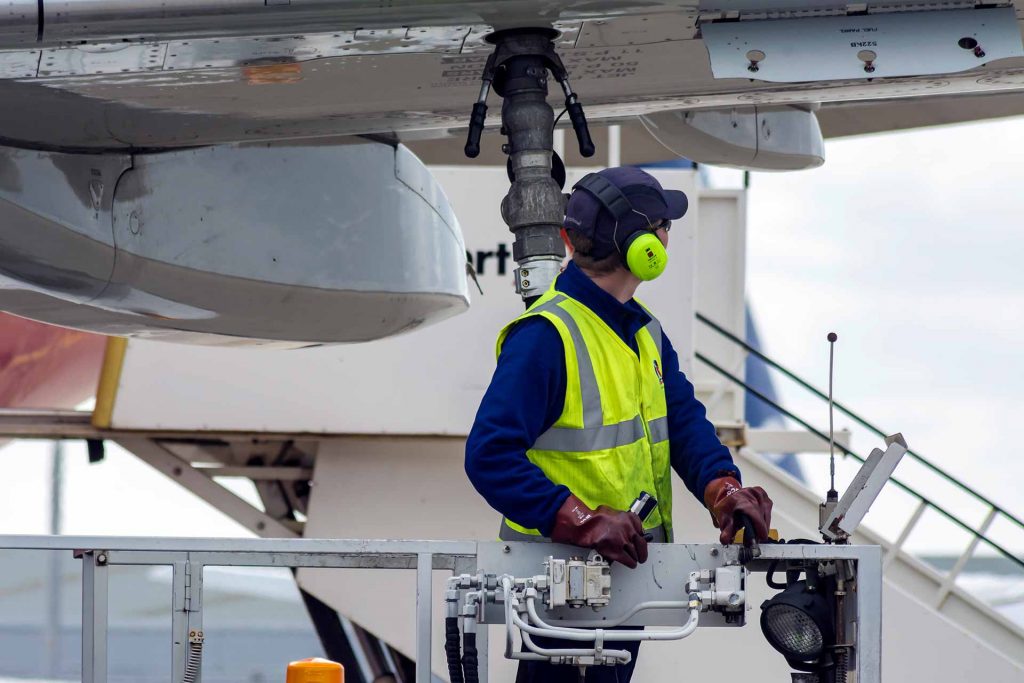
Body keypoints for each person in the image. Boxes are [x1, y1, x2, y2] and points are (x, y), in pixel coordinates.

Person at [465, 166, 773, 682]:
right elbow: (488, 456)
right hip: (555, 589)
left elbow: (684, 423)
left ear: (569, 238)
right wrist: (580, 521)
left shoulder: (644, 332)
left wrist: (724, 488)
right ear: (647, 248)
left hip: (621, 582)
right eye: (663, 226)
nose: (666, 235)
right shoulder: (546, 336)